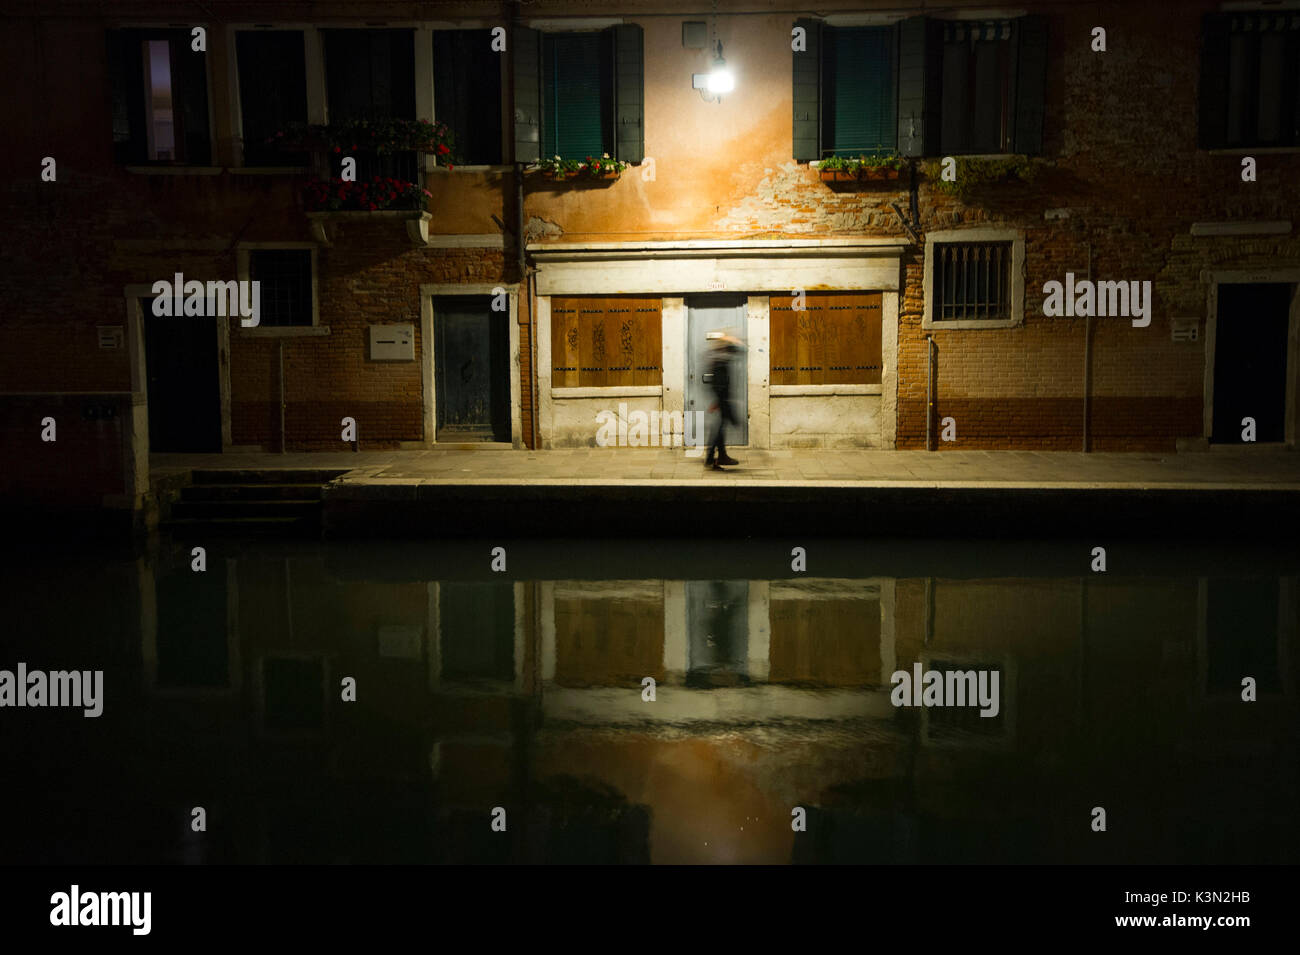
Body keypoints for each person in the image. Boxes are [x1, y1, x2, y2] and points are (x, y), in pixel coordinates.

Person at [704, 333, 743, 470]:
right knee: (721, 427)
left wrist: (717, 400)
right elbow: (740, 349)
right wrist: (721, 400)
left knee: (721, 426)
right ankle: (715, 456)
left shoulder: (718, 357)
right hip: (723, 397)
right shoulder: (720, 358)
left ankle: (717, 456)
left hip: (722, 397)